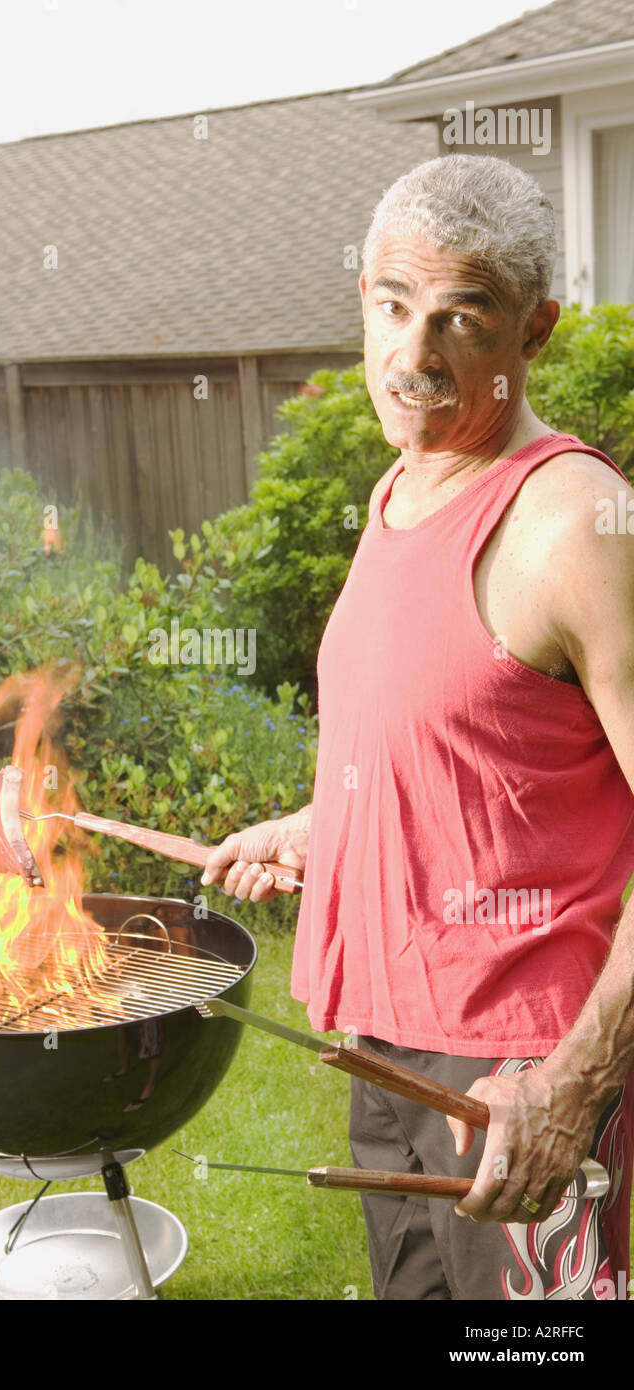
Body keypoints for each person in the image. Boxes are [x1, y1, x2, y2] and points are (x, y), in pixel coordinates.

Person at [202, 154, 634, 1301]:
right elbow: (457, 752)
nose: (415, 353)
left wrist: (574, 1080)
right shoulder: (401, 490)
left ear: (534, 330)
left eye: (462, 317)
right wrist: (312, 827)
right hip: (384, 1048)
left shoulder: (573, 525)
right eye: (393, 307)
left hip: (514, 1065)